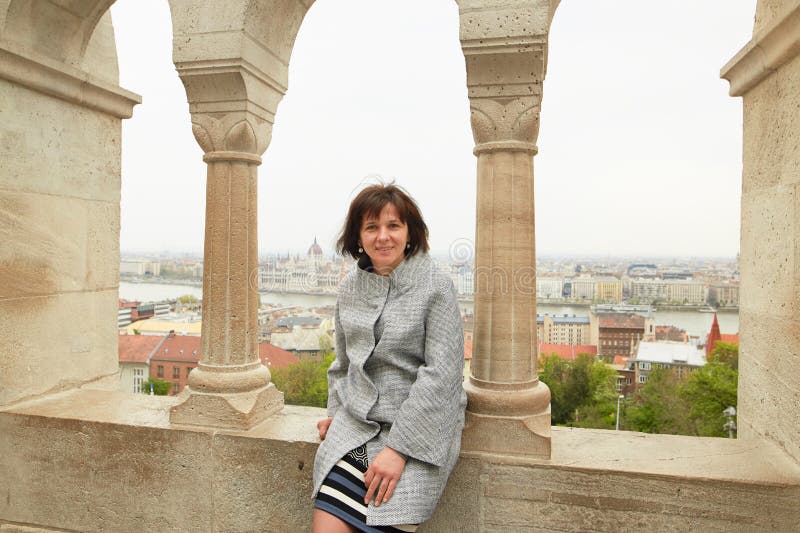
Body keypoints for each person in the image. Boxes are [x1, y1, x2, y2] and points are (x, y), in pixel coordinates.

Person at [312, 183, 467, 533]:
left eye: (393, 226)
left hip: (417, 433)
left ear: (410, 233)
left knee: (390, 508)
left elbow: (441, 378)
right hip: (357, 427)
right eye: (371, 227)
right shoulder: (350, 288)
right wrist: (336, 413)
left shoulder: (436, 287)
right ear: (358, 237)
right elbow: (343, 365)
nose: (383, 237)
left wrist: (398, 450)